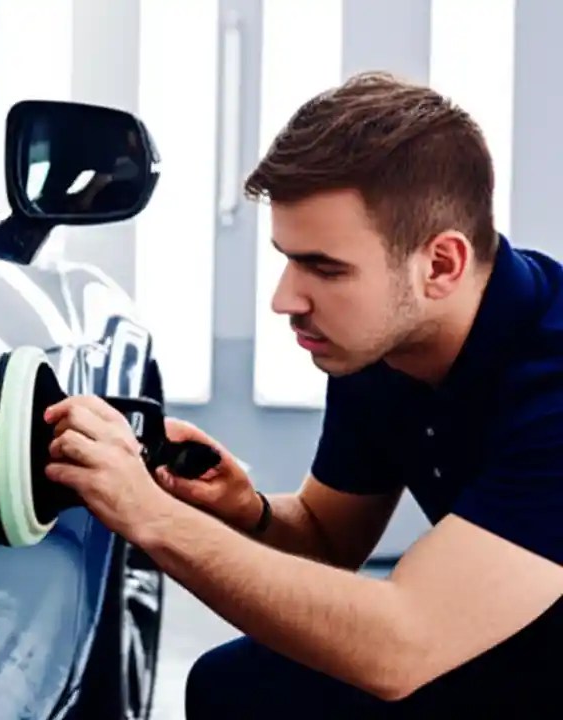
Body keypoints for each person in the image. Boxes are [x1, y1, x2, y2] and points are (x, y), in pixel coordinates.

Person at [41, 71, 562, 717]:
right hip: (511, 641)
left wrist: (148, 514)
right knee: (237, 686)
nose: (286, 300)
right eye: (289, 259)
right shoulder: (380, 348)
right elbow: (328, 538)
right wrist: (247, 510)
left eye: (325, 268)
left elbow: (400, 647)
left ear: (442, 265)